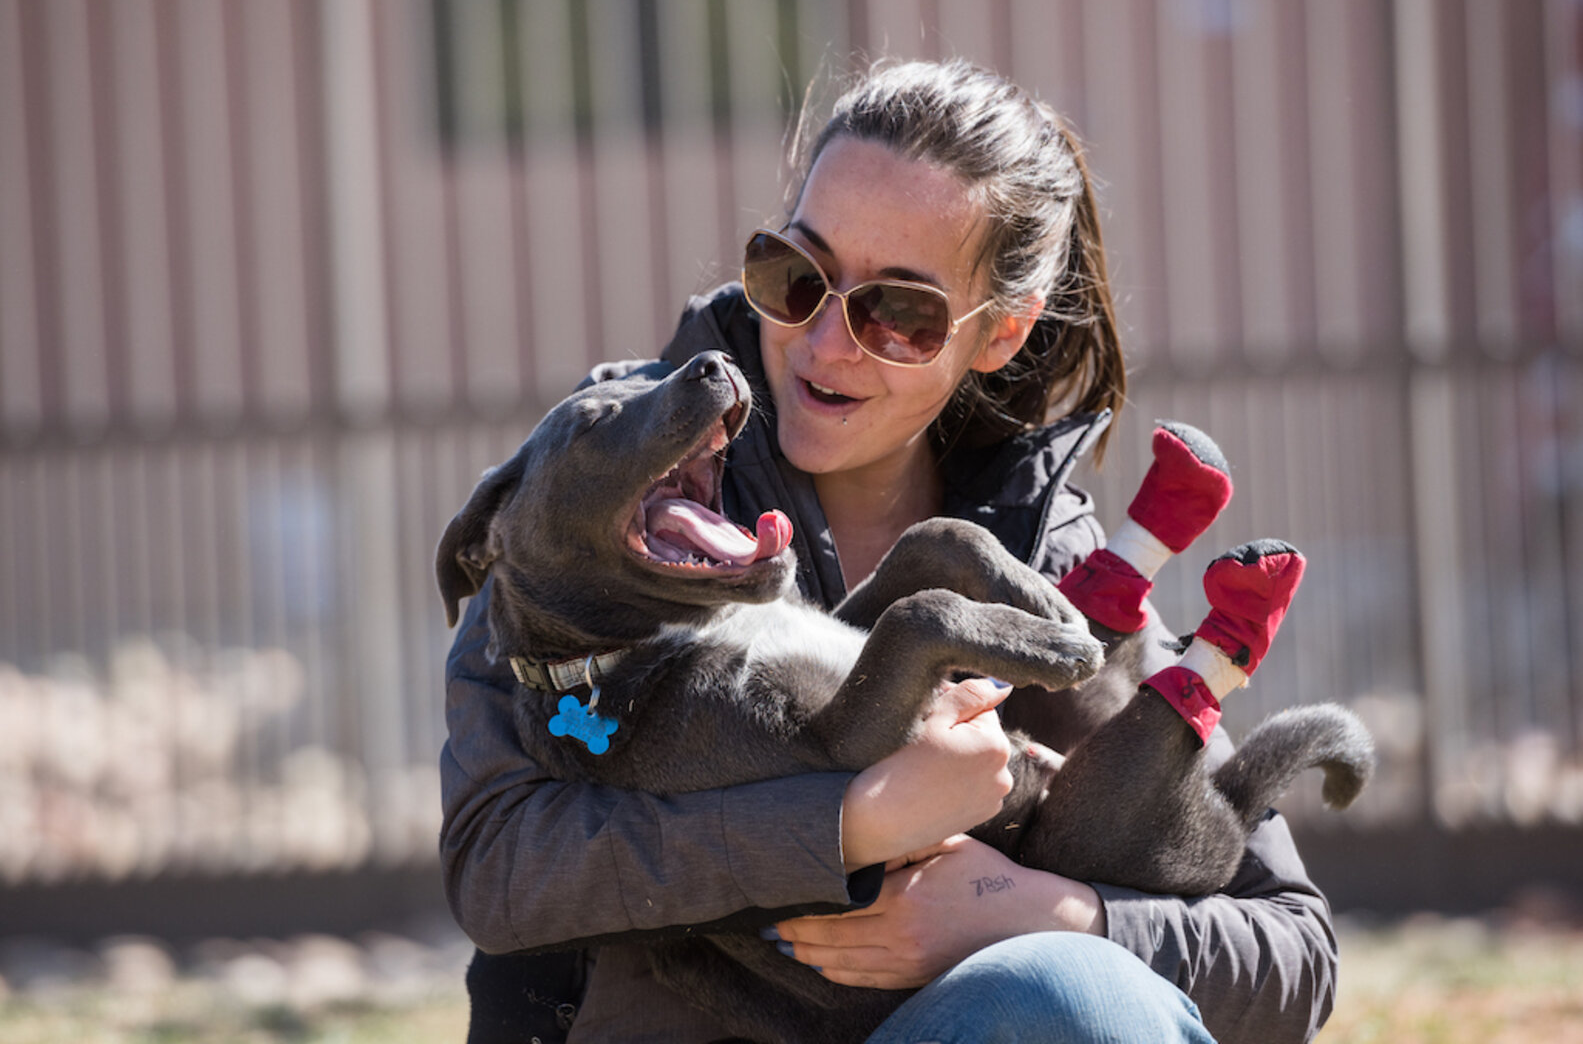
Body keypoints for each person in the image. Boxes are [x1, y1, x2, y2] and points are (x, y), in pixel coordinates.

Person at [440, 58, 1338, 1044]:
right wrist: (848, 823)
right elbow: (499, 867)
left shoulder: (1041, 547)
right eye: (797, 276)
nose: (825, 341)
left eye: (898, 314)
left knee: (1073, 992)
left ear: (999, 335)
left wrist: (1034, 912)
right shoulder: (603, 486)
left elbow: (1290, 950)